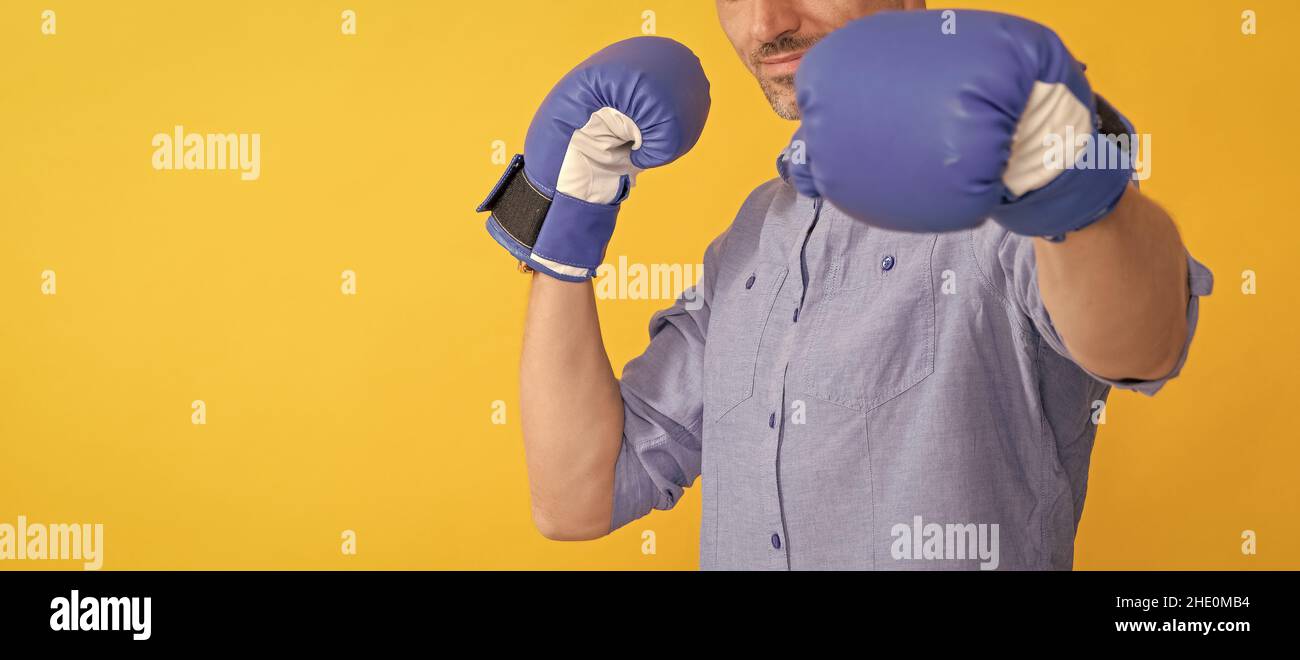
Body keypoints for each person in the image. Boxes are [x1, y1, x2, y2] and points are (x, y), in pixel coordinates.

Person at [477, 0, 1213, 569]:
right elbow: (580, 497)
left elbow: (1146, 344)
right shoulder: (751, 238)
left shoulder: (1003, 200)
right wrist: (563, 225)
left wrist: (1066, 176)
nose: (767, 24)